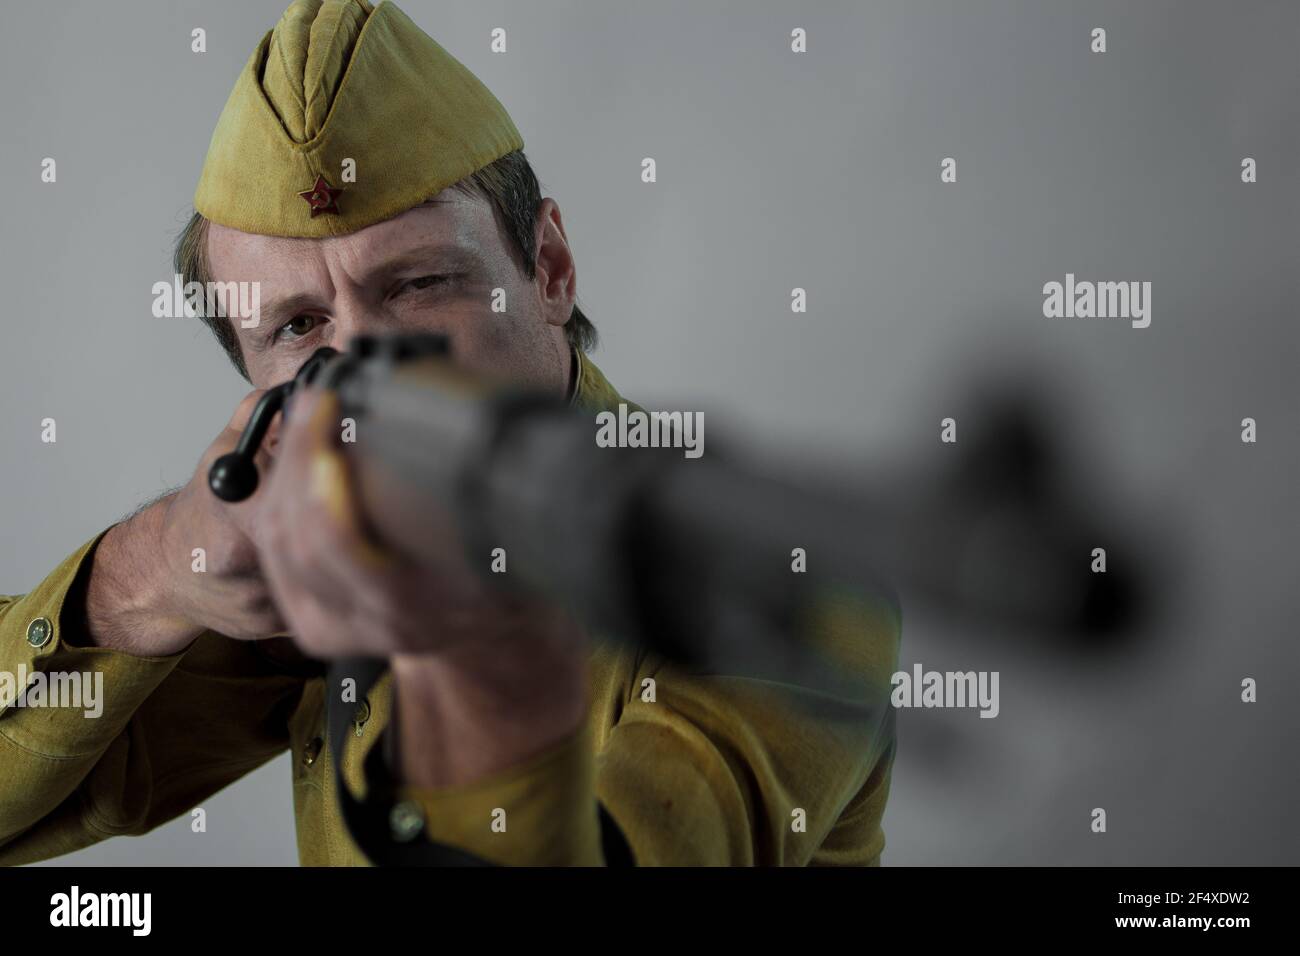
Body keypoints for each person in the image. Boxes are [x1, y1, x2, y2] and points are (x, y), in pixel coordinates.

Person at [0, 0, 900, 866]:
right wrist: (153, 571)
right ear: (249, 376)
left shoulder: (767, 566)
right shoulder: (319, 553)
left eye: (418, 284)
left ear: (548, 268)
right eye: (298, 328)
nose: (365, 361)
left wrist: (476, 664)